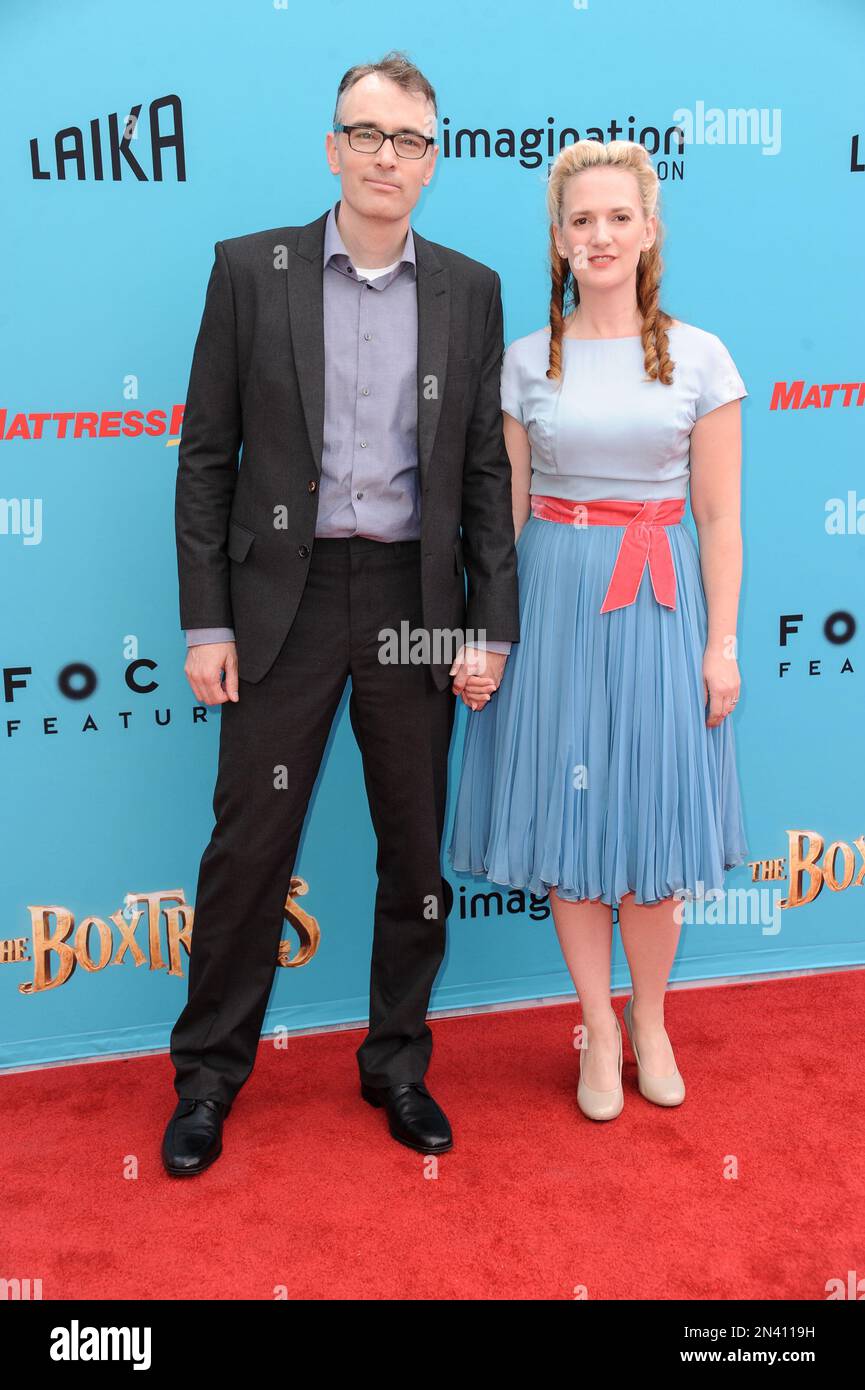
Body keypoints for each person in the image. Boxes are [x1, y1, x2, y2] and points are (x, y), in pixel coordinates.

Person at [165, 51, 519, 1175]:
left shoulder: (469, 288)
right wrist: (205, 622)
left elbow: (479, 479)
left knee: (414, 848)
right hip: (284, 601)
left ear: (433, 160)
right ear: (332, 146)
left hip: (415, 600)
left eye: (409, 140)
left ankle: (398, 1066)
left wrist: (488, 624)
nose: (386, 158)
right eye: (366, 134)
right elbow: (204, 460)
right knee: (248, 848)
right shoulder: (248, 271)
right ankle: (208, 1078)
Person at [448, 138, 748, 1122]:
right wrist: (486, 635)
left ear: (649, 229)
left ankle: (651, 1017)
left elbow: (717, 518)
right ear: (559, 240)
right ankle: (596, 1024)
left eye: (619, 216)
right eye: (582, 221)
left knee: (653, 823)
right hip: (554, 600)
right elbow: (504, 515)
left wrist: (722, 643)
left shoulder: (702, 356)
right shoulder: (527, 359)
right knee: (570, 826)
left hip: (660, 604)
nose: (601, 234)